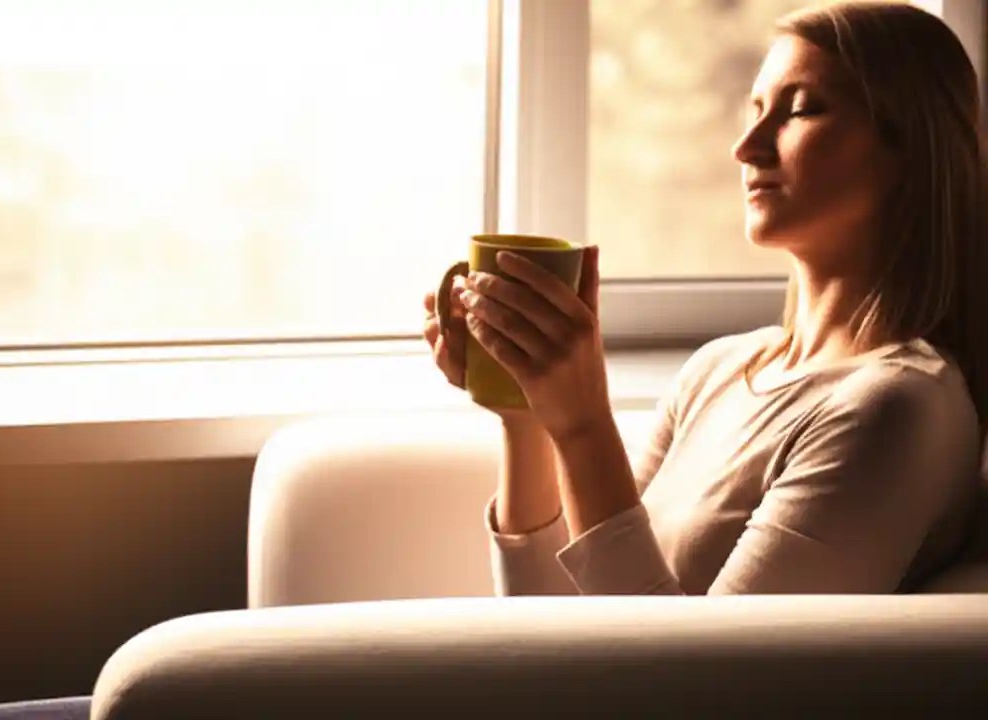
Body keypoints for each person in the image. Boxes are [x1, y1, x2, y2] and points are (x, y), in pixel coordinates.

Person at [422, 1, 986, 595]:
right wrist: (528, 415)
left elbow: (699, 680)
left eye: (800, 111)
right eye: (755, 110)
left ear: (911, 153)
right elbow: (553, 619)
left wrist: (585, 425)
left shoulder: (899, 408)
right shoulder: (718, 369)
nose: (747, 147)